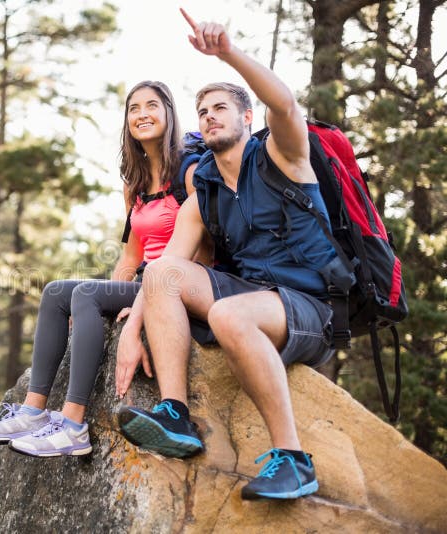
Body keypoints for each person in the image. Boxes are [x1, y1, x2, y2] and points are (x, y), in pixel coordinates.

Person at [115, 9, 339, 500]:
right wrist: (131, 331)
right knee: (164, 271)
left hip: (310, 307)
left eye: (220, 107)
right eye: (202, 111)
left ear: (247, 117)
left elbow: (285, 103)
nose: (210, 116)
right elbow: (161, 271)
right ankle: (176, 415)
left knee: (227, 315)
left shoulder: (282, 157)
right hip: (251, 295)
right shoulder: (207, 188)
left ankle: (294, 460)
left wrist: (228, 54)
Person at [0, 80, 206, 457]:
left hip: (176, 285)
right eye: (133, 108)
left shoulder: (190, 173)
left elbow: (205, 251)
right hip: (144, 280)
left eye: (152, 105)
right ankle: (32, 411)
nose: (142, 114)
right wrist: (111, 304)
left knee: (86, 294)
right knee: (56, 292)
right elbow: (130, 258)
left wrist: (143, 306)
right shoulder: (135, 184)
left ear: (169, 113)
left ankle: (73, 425)